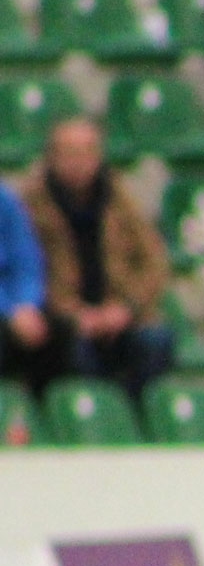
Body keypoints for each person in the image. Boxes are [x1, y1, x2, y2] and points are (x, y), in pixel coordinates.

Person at [19, 118, 173, 402]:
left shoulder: (122, 200)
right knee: (74, 350)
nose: (78, 163)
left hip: (121, 314)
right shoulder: (30, 207)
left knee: (156, 340)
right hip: (63, 321)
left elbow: (153, 261)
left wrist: (126, 307)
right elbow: (26, 271)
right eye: (68, 153)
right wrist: (71, 314)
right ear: (51, 157)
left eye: (86, 152)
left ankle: (133, 418)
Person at [0, 179, 61, 398]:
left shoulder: (4, 200)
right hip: (6, 310)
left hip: (18, 309)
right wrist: (8, 310)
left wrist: (27, 303)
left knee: (61, 332)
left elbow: (26, 260)